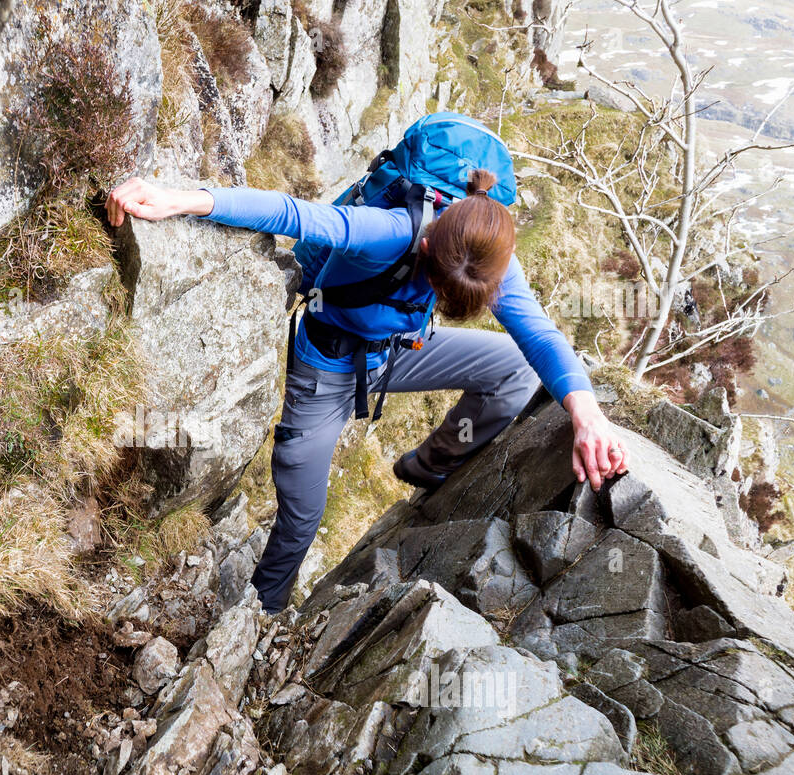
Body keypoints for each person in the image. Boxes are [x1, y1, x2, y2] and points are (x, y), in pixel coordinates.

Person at [105, 171, 628, 615]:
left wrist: (587, 416)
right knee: (302, 517)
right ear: (427, 247)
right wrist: (181, 199)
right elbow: (293, 214)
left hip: (398, 350)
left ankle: (426, 466)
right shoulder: (389, 231)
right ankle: (261, 614)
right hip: (328, 368)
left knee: (515, 368)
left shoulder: (489, 255)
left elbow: (539, 335)